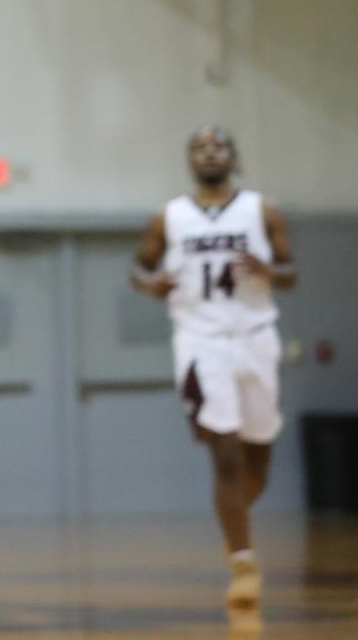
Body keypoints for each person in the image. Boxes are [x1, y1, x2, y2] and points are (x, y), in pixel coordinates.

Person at [130, 126, 296, 610]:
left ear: (234, 157)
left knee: (256, 461)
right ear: (189, 160)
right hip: (200, 342)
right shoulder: (170, 217)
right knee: (223, 453)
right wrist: (151, 285)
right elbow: (138, 268)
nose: (209, 154)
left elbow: (292, 272)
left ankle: (234, 525)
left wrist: (268, 271)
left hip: (256, 337)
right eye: (200, 148)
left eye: (218, 146)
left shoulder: (261, 210)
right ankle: (242, 562)